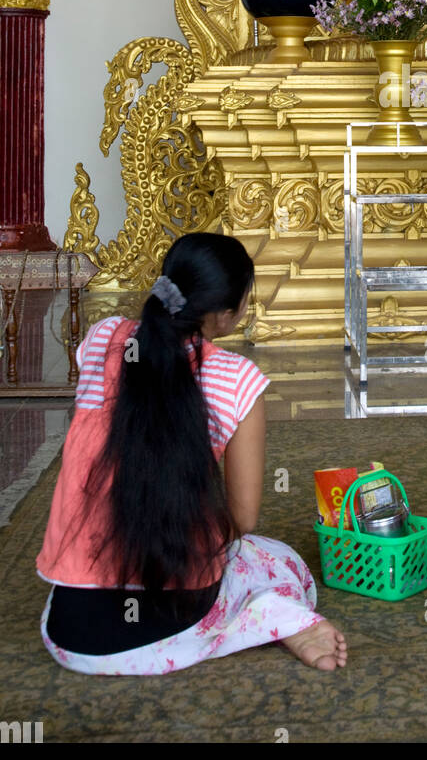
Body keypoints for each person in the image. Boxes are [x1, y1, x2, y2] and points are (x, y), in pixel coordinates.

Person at [37, 233, 347, 675]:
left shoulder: (103, 337)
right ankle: (271, 618)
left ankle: (256, 617)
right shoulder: (238, 379)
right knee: (276, 561)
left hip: (72, 634)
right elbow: (241, 521)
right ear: (227, 314)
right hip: (172, 623)